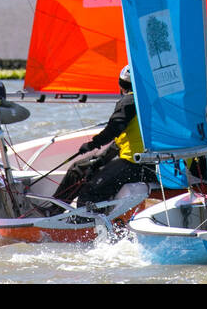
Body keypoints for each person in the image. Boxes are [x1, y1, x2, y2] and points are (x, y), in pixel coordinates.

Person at [63, 65, 156, 206]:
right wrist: (100, 160)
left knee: (90, 191)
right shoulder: (152, 100)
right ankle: (53, 210)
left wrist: (92, 144)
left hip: (141, 164)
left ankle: (82, 226)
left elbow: (114, 128)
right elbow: (120, 140)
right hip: (140, 162)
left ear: (122, 87)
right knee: (79, 169)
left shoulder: (130, 101)